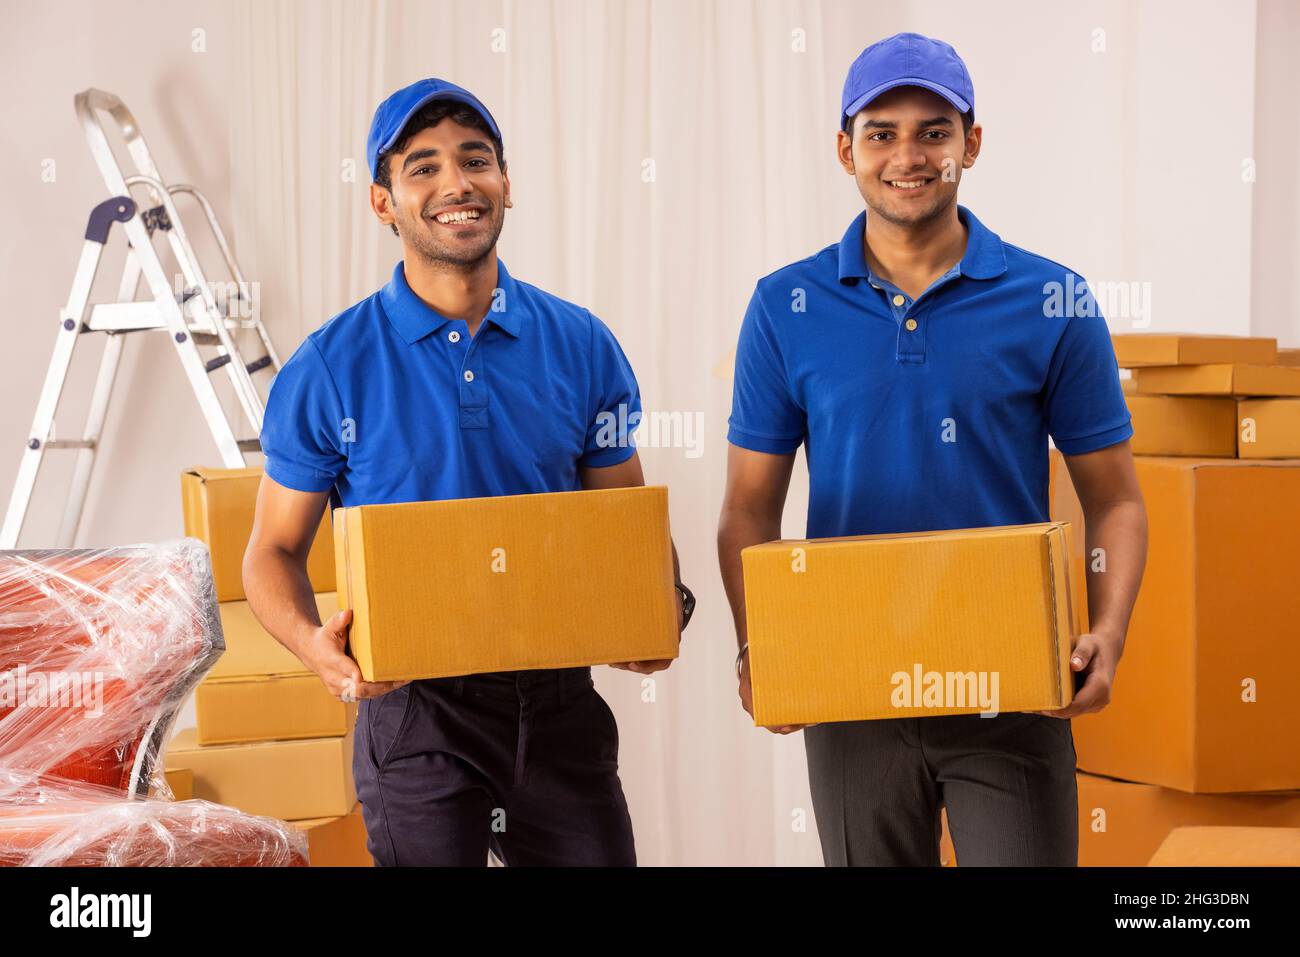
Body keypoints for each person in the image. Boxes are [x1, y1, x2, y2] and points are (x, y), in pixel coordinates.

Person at [717, 33, 1147, 866]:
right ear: (845, 149)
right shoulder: (784, 306)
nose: (907, 154)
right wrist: (755, 645)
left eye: (933, 130)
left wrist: (1111, 632)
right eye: (881, 132)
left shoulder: (1052, 299)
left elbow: (1116, 497)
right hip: (850, 685)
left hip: (1013, 686)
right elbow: (746, 509)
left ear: (971, 144)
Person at [243, 77, 693, 866]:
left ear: (506, 184)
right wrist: (315, 645)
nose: (456, 183)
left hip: (560, 701)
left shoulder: (581, 343)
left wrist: (661, 606)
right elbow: (271, 552)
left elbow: (625, 525)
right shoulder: (329, 366)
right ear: (383, 202)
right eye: (422, 168)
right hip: (419, 710)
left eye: (475, 160)